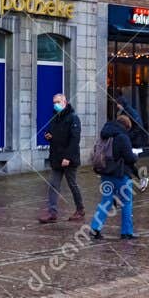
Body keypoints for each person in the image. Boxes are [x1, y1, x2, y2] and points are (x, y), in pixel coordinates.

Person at [89, 113, 139, 240]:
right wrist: (135, 156)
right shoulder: (122, 137)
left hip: (105, 173)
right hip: (120, 174)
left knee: (105, 201)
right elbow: (129, 158)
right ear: (126, 126)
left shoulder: (105, 134)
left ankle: (95, 228)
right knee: (126, 202)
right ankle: (126, 232)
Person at [38, 93, 85, 224]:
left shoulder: (73, 118)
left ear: (65, 102)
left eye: (58, 102)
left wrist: (68, 157)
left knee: (72, 184)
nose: (55, 105)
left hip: (69, 159)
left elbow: (75, 139)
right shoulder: (55, 117)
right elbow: (51, 132)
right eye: (54, 102)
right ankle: (52, 212)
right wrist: (48, 135)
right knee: (53, 185)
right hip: (56, 157)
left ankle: (80, 209)